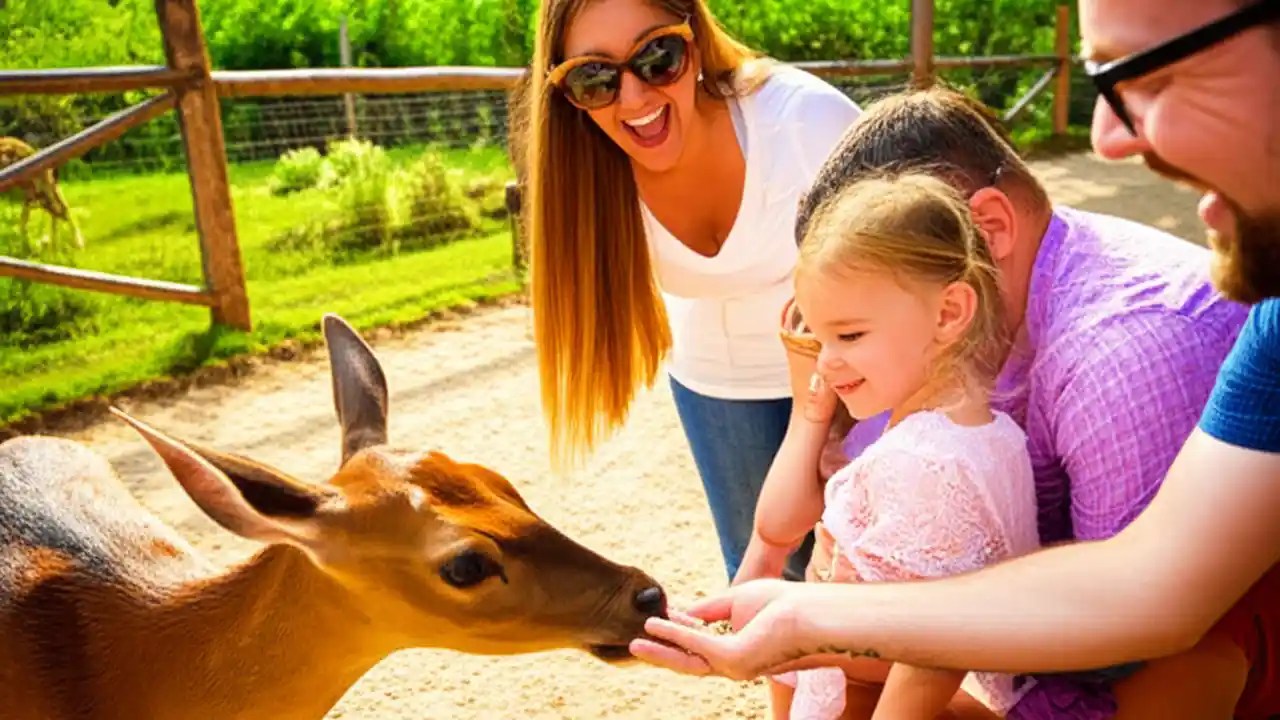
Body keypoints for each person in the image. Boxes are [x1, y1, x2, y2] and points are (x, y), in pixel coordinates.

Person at [632, 1, 1280, 717]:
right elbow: (1142, 586)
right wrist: (807, 620)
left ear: (986, 232)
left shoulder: (1123, 348)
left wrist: (822, 628)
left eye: (1143, 79)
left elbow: (1136, 641)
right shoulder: (948, 339)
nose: (1105, 135)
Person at [510, 0, 861, 582]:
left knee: (875, 570)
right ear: (566, 94)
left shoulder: (805, 122)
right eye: (593, 78)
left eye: (657, 56)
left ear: (693, 41)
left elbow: (921, 268)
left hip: (854, 363)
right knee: (765, 580)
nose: (633, 99)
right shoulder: (587, 171)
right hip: (718, 380)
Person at [771, 170, 1043, 720]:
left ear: (948, 314)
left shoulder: (921, 463)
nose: (827, 361)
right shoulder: (993, 432)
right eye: (819, 338)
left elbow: (933, 654)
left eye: (849, 335)